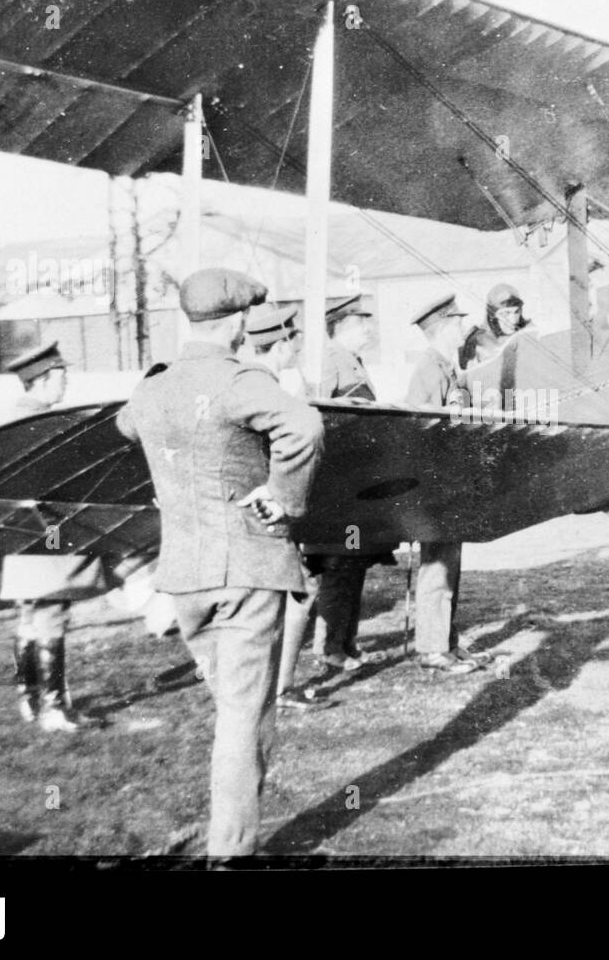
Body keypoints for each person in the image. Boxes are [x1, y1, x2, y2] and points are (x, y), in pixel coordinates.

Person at [116, 268, 324, 859]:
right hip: (246, 568)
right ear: (236, 323)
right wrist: (282, 496)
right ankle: (231, 851)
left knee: (230, 706)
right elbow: (304, 424)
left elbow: (127, 426)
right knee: (243, 715)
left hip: (184, 577)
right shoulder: (237, 381)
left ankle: (229, 840)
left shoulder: (152, 390)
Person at [0, 341, 109, 732]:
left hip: (19, 533)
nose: (67, 383)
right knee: (51, 612)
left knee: (29, 614)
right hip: (48, 530)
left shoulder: (10, 419)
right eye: (63, 376)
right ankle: (54, 710)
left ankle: (29, 701)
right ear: (44, 379)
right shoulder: (43, 424)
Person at [241, 302, 327, 712]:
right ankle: (280, 686)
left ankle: (272, 685)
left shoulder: (245, 383)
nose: (296, 344)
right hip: (272, 508)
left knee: (279, 596)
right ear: (281, 344)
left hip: (253, 508)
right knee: (297, 592)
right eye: (292, 337)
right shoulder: (277, 391)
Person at [305, 295, 394, 675]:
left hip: (356, 492)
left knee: (353, 563)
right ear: (341, 327)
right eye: (361, 324)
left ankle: (345, 643)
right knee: (340, 566)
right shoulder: (329, 360)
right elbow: (314, 413)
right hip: (338, 491)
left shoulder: (352, 361)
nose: (369, 330)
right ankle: (330, 648)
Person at [406, 294, 493, 675]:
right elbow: (418, 429)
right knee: (437, 567)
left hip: (450, 483)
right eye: (458, 323)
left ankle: (447, 644)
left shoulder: (446, 367)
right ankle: (431, 649)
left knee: (449, 566)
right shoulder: (429, 369)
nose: (463, 329)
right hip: (435, 486)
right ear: (443, 328)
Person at [460, 282, 530, 368]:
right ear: (492, 316)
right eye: (505, 313)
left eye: (516, 312)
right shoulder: (477, 341)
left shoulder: (527, 332)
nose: (513, 320)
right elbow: (475, 380)